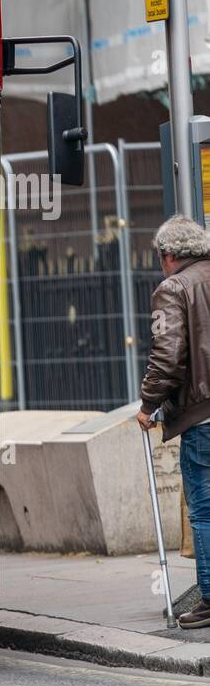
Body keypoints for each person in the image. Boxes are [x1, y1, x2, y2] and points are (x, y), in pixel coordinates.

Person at [137, 215, 210, 628]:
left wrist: (149, 405)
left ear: (169, 255)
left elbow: (167, 357)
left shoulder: (174, 288)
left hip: (203, 416)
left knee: (204, 509)